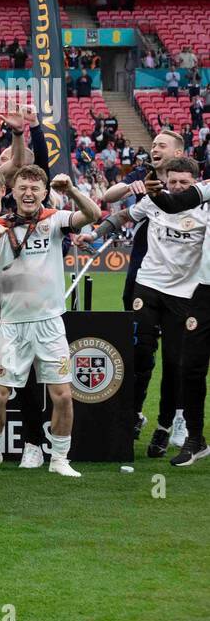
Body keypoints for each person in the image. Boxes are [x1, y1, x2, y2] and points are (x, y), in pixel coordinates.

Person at [0, 166, 102, 477]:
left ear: (43, 192)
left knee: (63, 395)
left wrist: (71, 192)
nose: (28, 193)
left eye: (35, 188)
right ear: (12, 192)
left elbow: (92, 214)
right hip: (12, 324)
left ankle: (59, 459)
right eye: (22, 187)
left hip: (50, 323)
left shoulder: (53, 219)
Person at [91, 157, 205, 457]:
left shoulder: (205, 208)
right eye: (173, 182)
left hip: (184, 294)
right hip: (149, 284)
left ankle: (165, 426)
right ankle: (129, 417)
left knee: (174, 364)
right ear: (166, 180)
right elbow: (123, 216)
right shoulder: (155, 201)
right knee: (139, 350)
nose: (177, 187)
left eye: (184, 183)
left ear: (195, 182)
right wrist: (94, 233)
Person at [142, 170, 210, 465]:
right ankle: (196, 440)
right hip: (204, 290)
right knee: (191, 366)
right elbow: (173, 205)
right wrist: (156, 192)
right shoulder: (207, 189)